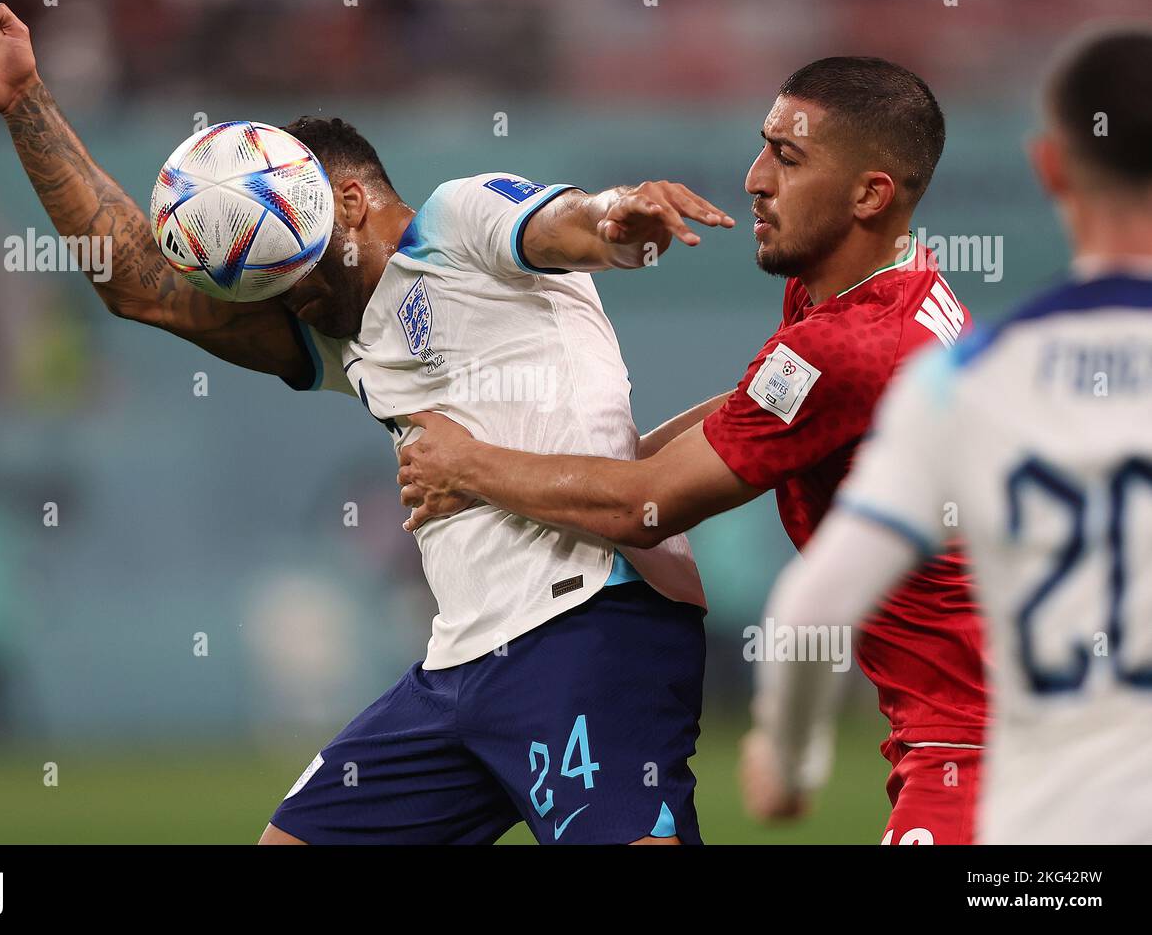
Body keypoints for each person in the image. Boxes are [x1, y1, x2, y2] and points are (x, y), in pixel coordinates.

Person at [0, 0, 734, 845]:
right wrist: (25, 100)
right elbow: (137, 286)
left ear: (353, 201)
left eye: (286, 273)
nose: (281, 300)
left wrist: (618, 217)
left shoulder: (460, 220)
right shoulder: (344, 331)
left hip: (588, 620)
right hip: (460, 664)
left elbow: (568, 222)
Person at [400, 56, 987, 843]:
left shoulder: (850, 346)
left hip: (987, 750)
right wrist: (617, 457)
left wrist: (465, 466)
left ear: (869, 194)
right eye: (763, 145)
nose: (755, 178)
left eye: (788, 157)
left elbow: (645, 507)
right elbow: (760, 411)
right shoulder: (873, 291)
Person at [746, 25, 1152, 844]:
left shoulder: (962, 380)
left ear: (1051, 169)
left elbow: (811, 609)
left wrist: (787, 763)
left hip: (1013, 800)